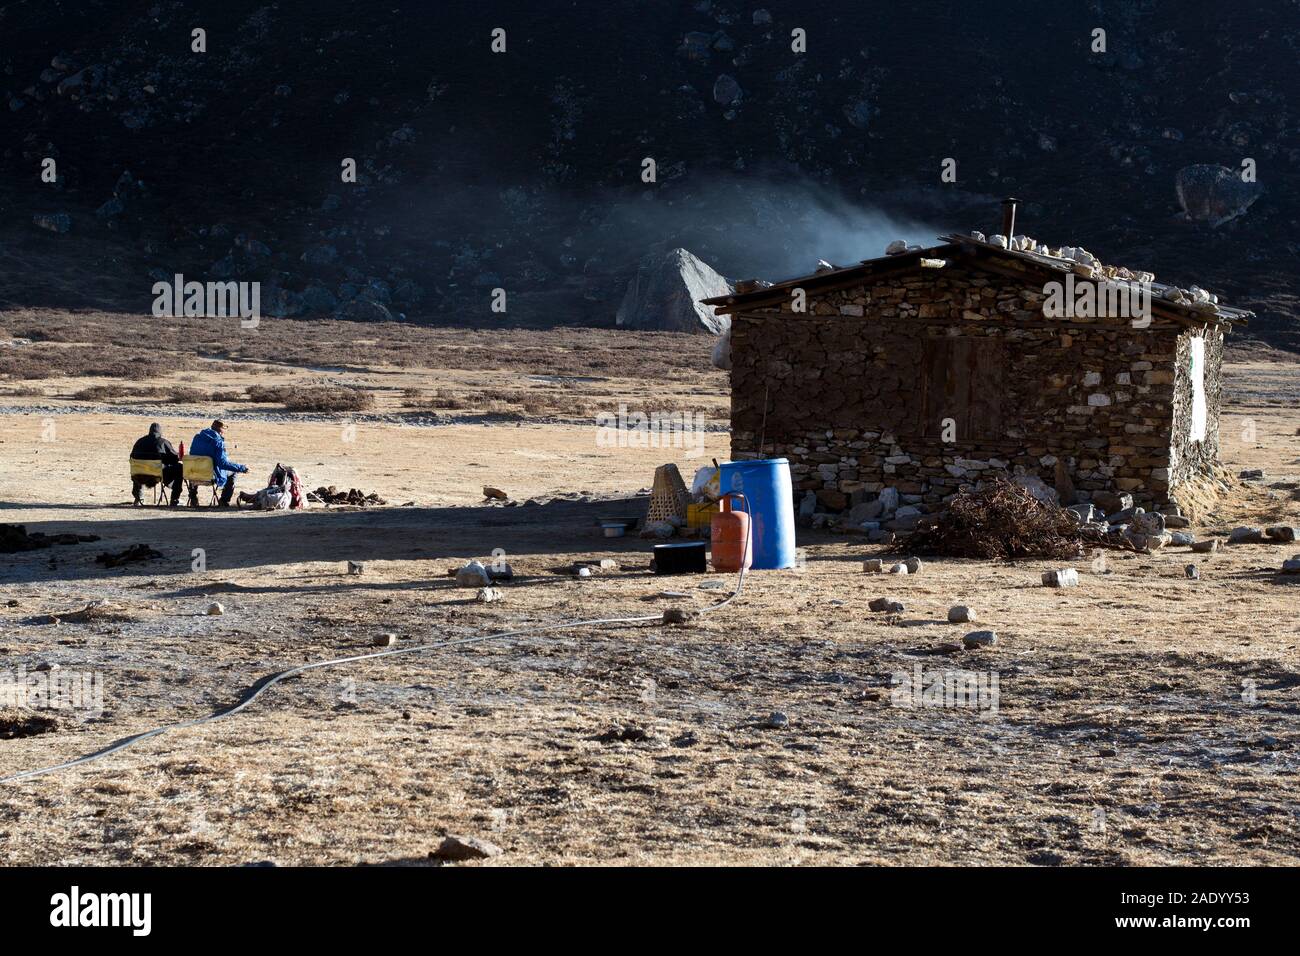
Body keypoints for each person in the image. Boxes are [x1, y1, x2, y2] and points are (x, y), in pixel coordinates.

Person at [188, 419, 249, 507]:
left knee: (196, 463)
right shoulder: (218, 442)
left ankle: (193, 497)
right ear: (221, 430)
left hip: (193, 474)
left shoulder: (197, 437)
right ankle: (224, 500)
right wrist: (242, 468)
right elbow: (222, 464)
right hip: (210, 475)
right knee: (233, 473)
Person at [129, 423, 183, 507]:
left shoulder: (139, 442)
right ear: (160, 432)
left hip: (139, 475)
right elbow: (174, 459)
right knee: (179, 467)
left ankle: (138, 497)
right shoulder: (163, 442)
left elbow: (132, 457)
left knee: (138, 467)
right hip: (158, 475)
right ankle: (174, 499)